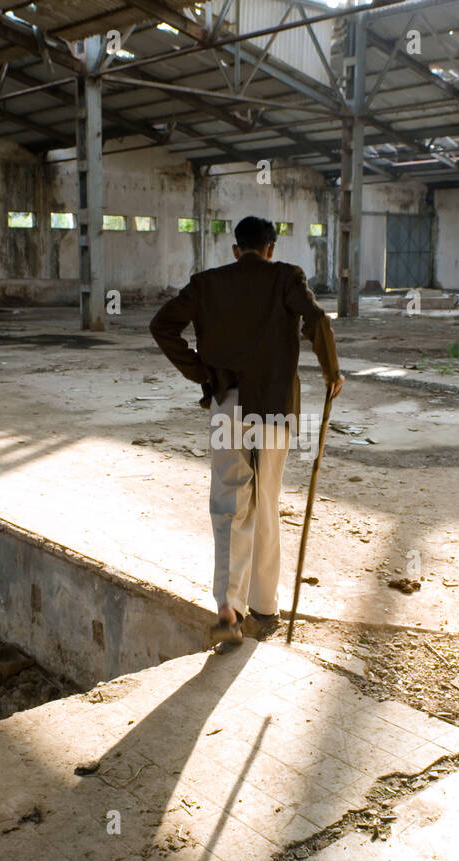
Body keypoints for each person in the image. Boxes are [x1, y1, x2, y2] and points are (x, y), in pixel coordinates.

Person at [150, 216, 344, 649]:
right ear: (271, 247)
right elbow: (318, 321)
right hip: (273, 409)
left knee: (229, 505)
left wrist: (201, 371)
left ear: (236, 249)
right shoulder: (286, 277)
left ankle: (228, 608)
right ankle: (266, 605)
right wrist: (332, 371)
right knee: (267, 501)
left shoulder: (206, 283)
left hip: (227, 406)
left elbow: (161, 325)